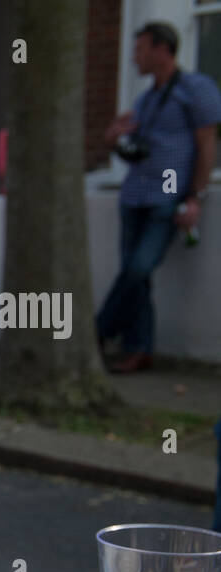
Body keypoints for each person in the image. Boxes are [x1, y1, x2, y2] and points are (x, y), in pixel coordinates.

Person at [97, 22, 221, 374]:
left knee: (139, 267)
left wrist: (194, 197)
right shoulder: (146, 99)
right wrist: (113, 139)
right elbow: (136, 151)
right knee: (136, 276)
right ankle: (139, 349)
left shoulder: (195, 89)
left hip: (168, 192)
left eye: (140, 49)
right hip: (135, 193)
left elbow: (206, 144)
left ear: (161, 50)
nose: (135, 58)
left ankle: (99, 329)